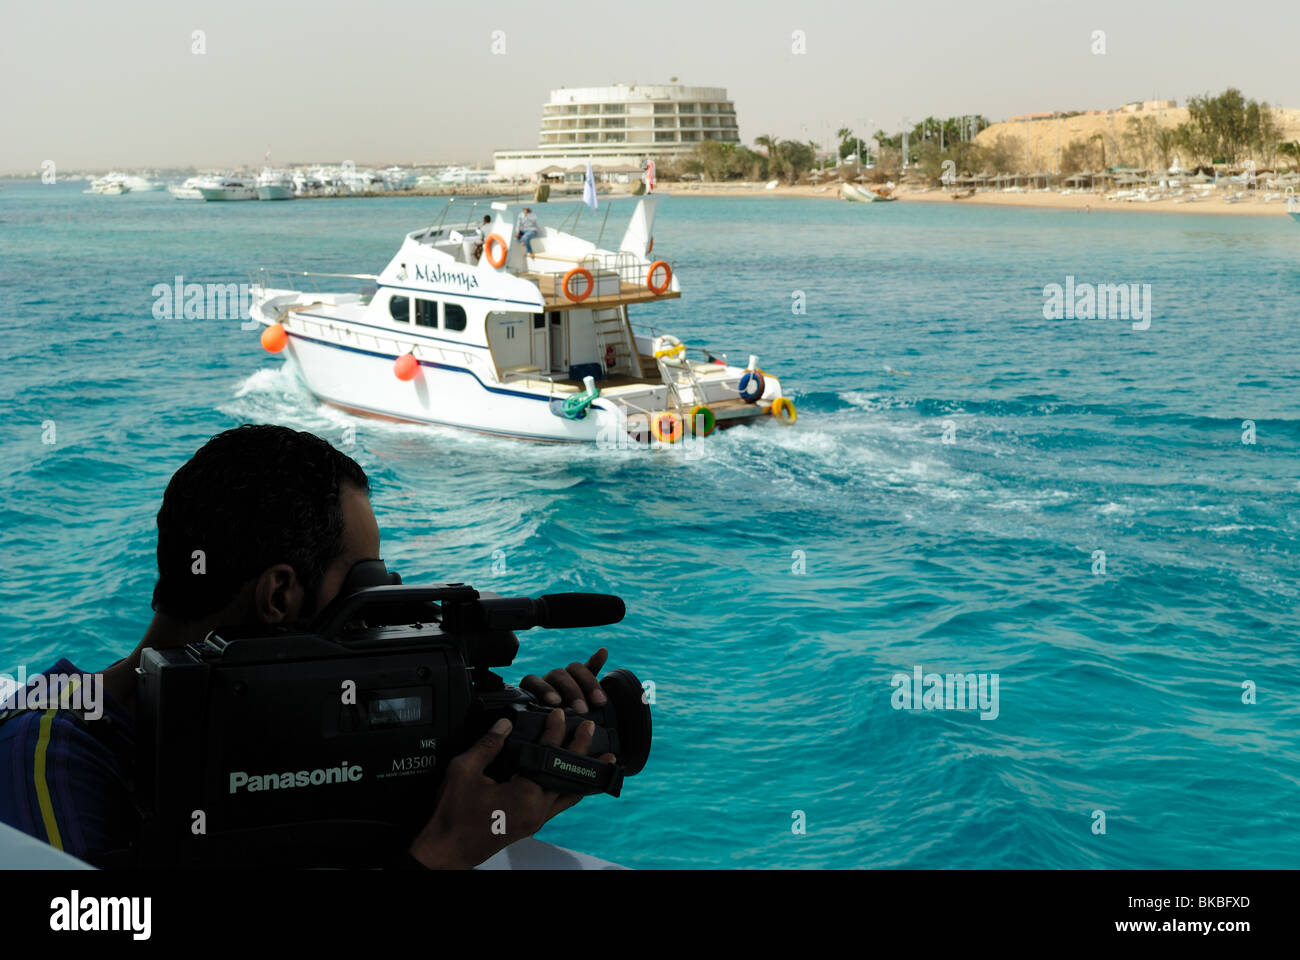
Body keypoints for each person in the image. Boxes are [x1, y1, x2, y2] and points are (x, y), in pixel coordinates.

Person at [0, 425, 615, 868]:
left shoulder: (259, 747)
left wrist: (527, 748)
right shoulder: (46, 754)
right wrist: (441, 857)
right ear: (279, 594)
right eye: (360, 586)